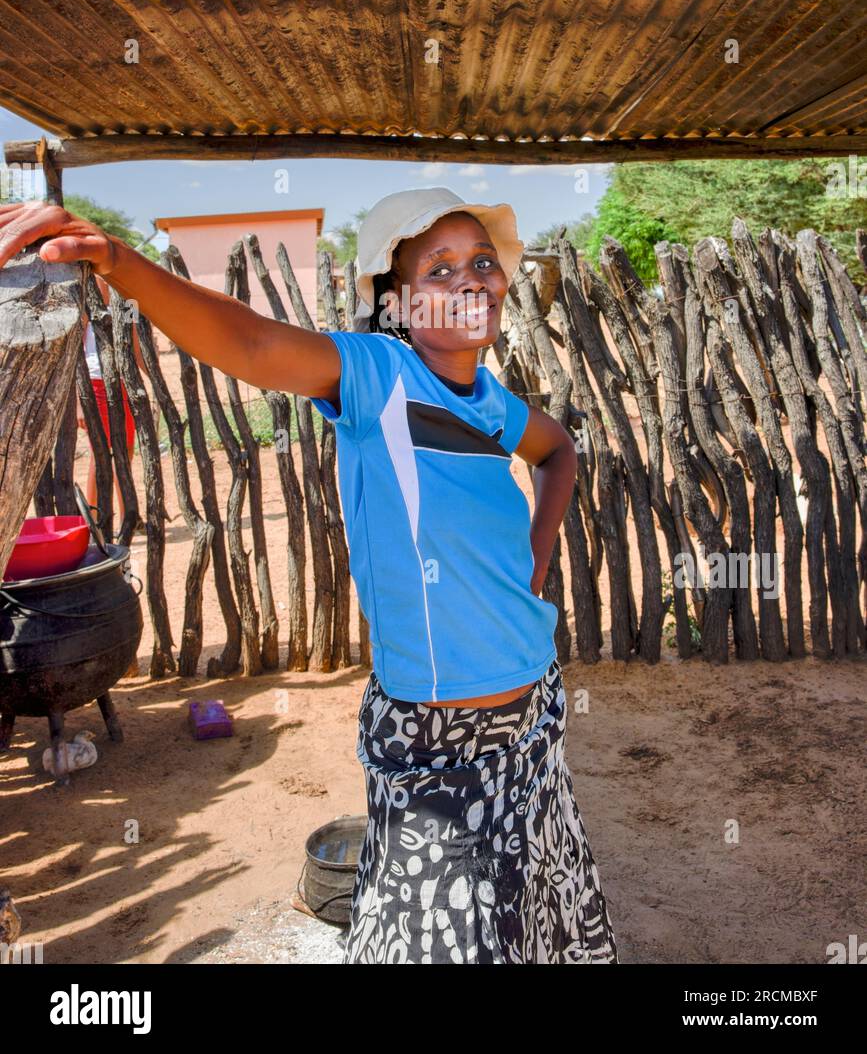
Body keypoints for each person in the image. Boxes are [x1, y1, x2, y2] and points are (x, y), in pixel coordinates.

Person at [0, 187, 618, 965]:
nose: (472, 279)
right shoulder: (378, 374)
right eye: (440, 268)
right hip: (438, 740)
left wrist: (537, 555)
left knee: (537, 903)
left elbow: (558, 449)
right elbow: (253, 345)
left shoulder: (492, 402)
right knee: (439, 938)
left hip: (534, 708)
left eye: (483, 263)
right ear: (394, 305)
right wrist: (119, 263)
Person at [78, 271, 143, 528]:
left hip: (124, 383)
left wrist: (151, 378)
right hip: (95, 385)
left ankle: (130, 516)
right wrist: (76, 405)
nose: (105, 281)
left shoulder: (128, 305)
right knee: (101, 454)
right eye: (100, 277)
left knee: (125, 453)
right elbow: (75, 357)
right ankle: (92, 518)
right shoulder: (85, 310)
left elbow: (136, 346)